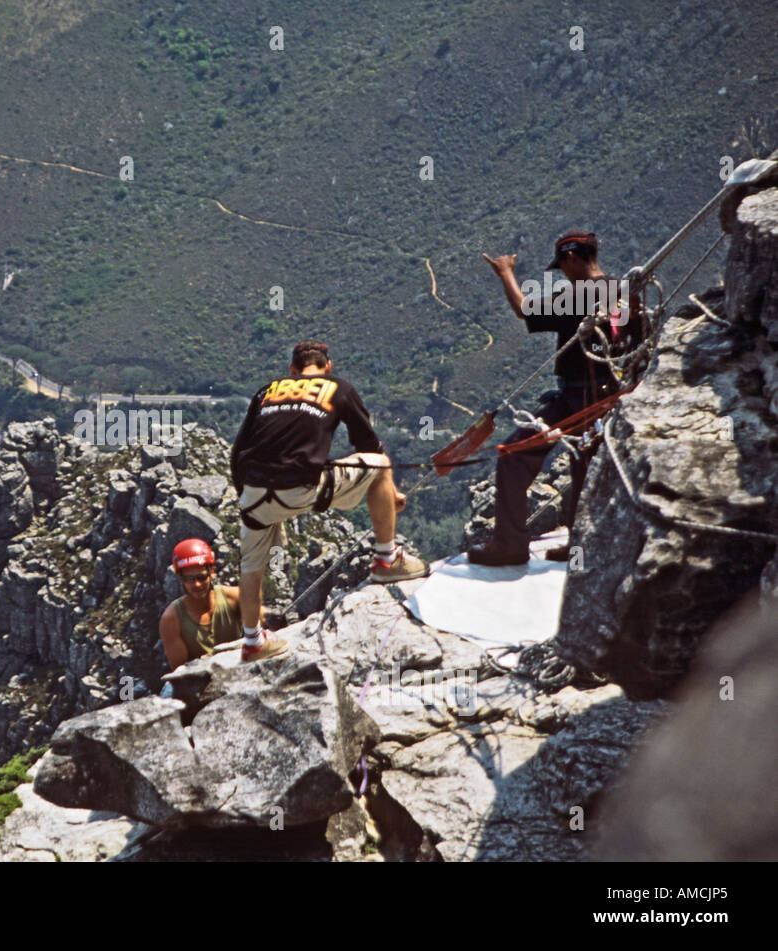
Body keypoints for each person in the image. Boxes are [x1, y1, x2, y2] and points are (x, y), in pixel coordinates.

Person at [230, 340, 428, 663]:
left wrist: (248, 500)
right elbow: (369, 447)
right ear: (328, 366)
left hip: (253, 493)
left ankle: (252, 642)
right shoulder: (338, 388)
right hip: (302, 486)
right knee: (382, 466)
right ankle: (387, 560)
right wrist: (390, 495)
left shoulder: (266, 391)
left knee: (251, 569)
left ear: (291, 371)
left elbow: (238, 452)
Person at [471, 229, 628, 565]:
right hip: (609, 395)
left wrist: (505, 274)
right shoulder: (621, 290)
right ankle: (579, 546)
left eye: (562, 266)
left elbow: (524, 309)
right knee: (584, 467)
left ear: (572, 257)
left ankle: (510, 546)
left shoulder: (581, 294)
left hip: (579, 396)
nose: (563, 274)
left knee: (514, 455)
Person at [157, 539, 255, 670]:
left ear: (211, 573)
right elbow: (180, 672)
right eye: (189, 579)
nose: (197, 584)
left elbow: (263, 629)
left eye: (201, 577)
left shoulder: (236, 597)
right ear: (181, 579)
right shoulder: (171, 620)